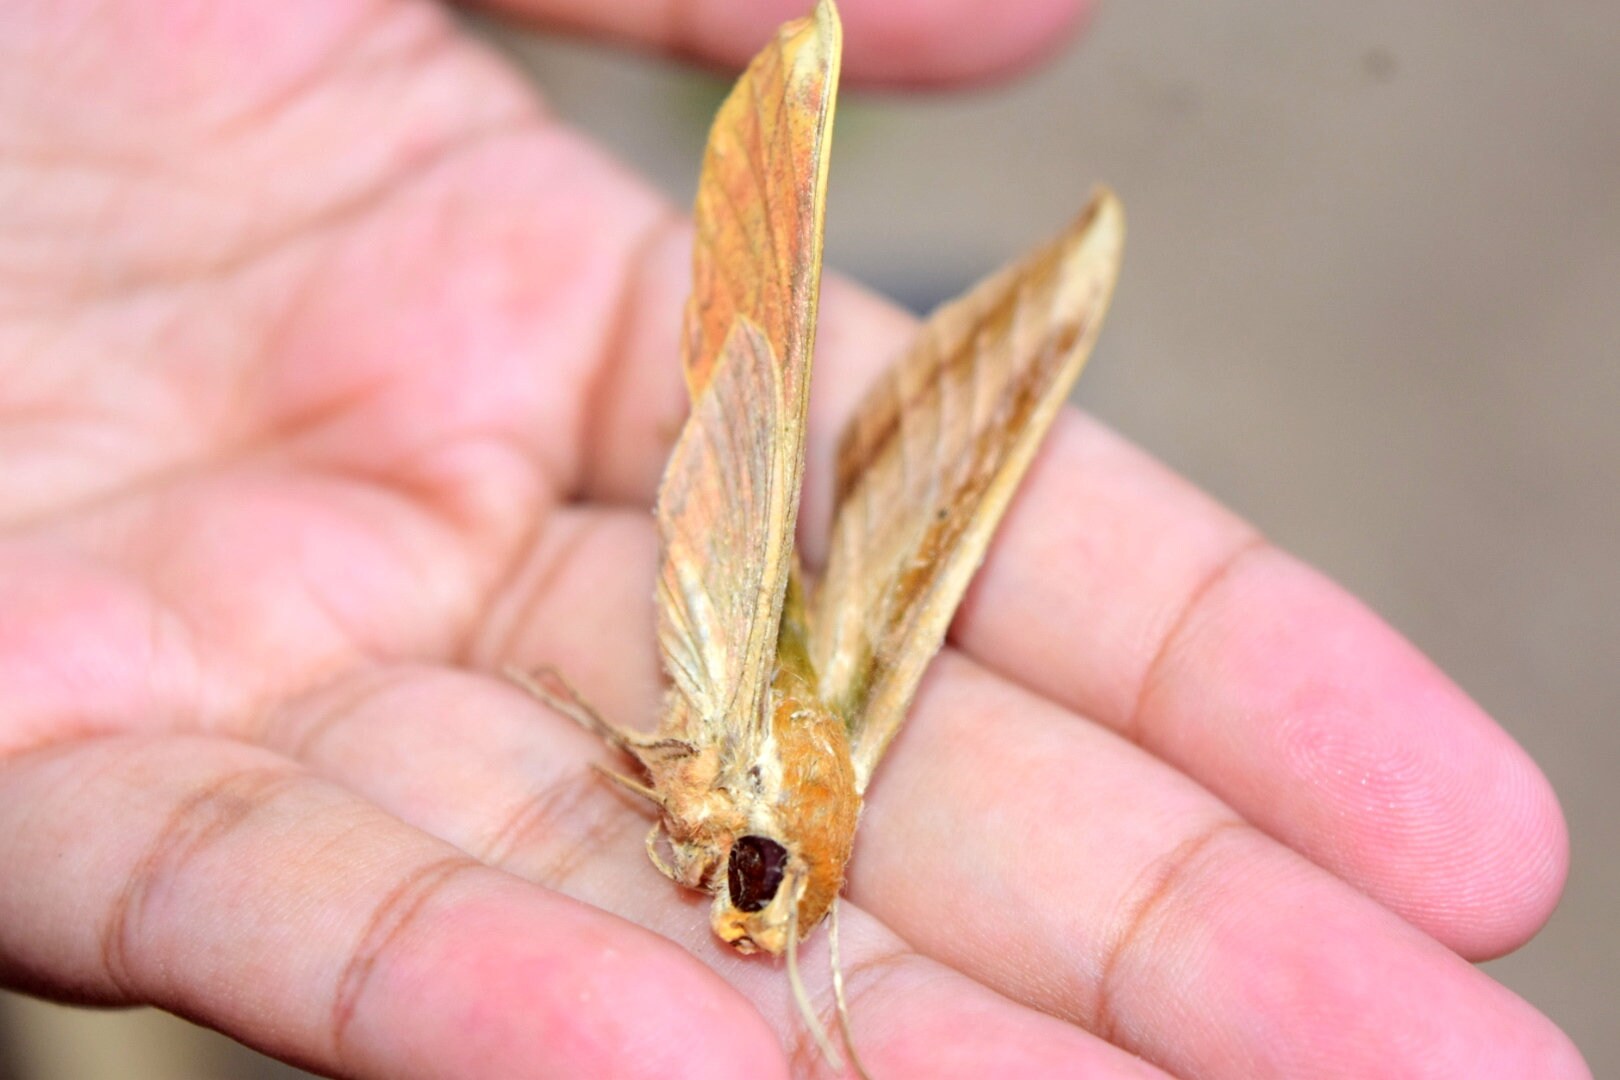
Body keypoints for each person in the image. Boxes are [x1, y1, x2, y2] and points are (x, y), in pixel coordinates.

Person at [0, 2, 1587, 1077]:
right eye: (759, 885)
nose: (737, 912)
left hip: (805, 667)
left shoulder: (770, 819)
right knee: (801, 361)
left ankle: (1024, 324)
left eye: (755, 897)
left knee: (937, 482)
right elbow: (692, 784)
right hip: (765, 620)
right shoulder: (745, 783)